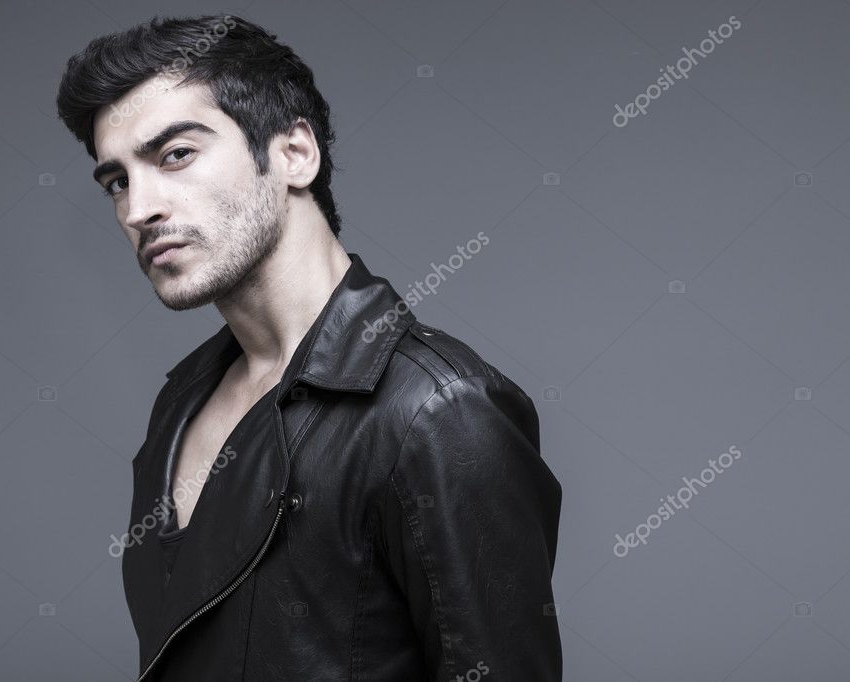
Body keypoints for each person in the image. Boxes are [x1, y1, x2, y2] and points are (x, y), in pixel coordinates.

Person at [56, 15, 562, 681]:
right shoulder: (181, 402)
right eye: (117, 180)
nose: (137, 209)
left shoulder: (438, 411)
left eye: (175, 154)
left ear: (295, 153)